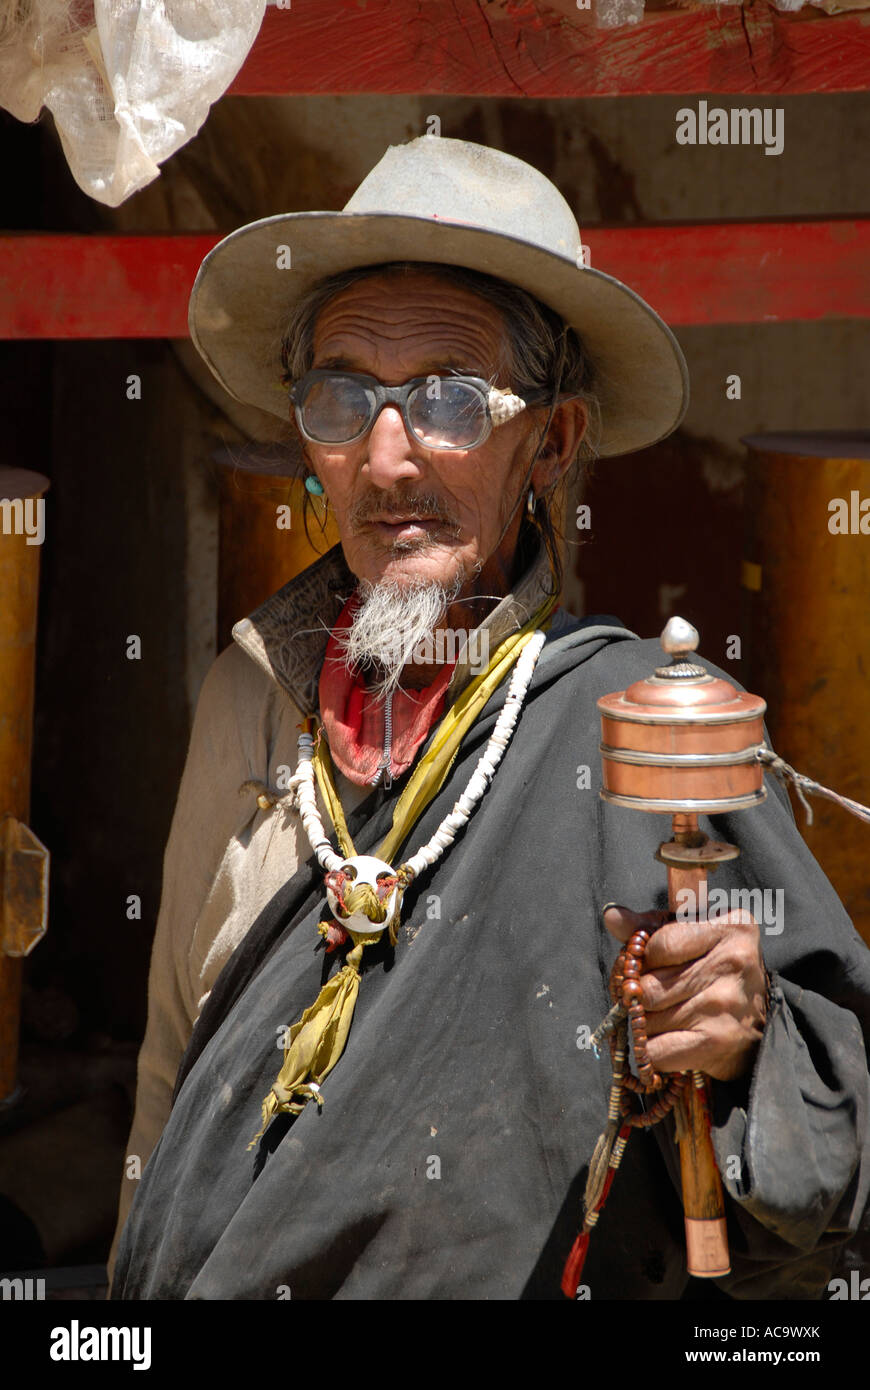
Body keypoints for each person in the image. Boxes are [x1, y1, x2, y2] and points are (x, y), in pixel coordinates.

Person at [110, 136, 869, 1300]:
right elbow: (172, 1090)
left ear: (551, 445)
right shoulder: (248, 702)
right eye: (343, 396)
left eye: (451, 400)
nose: (387, 455)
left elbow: (840, 1116)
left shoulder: (635, 728)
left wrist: (746, 1035)